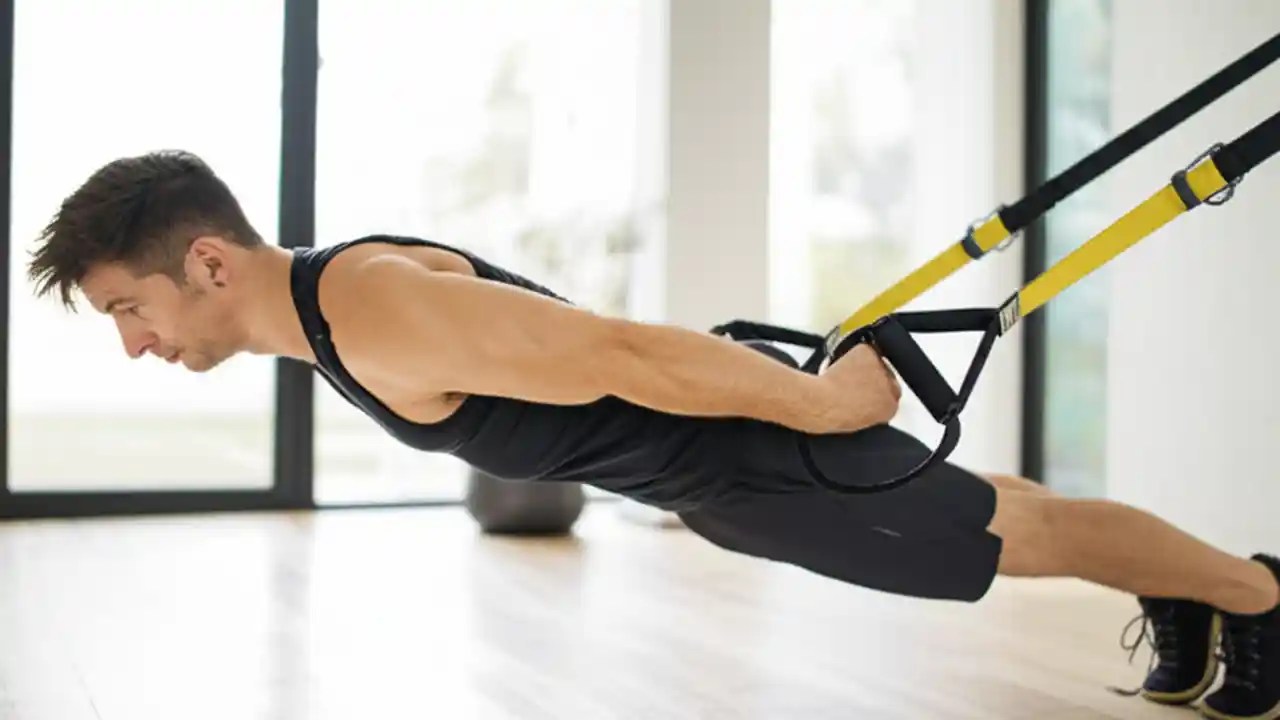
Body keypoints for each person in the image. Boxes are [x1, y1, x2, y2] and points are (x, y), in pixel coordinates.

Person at [25, 150, 1280, 720]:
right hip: (723, 478)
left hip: (752, 450)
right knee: (1012, 523)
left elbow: (619, 349)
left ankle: (1253, 591)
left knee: (1022, 531)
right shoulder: (334, 312)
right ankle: (1189, 597)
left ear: (203, 261)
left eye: (130, 309)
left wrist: (820, 406)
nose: (135, 342)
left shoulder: (368, 306)